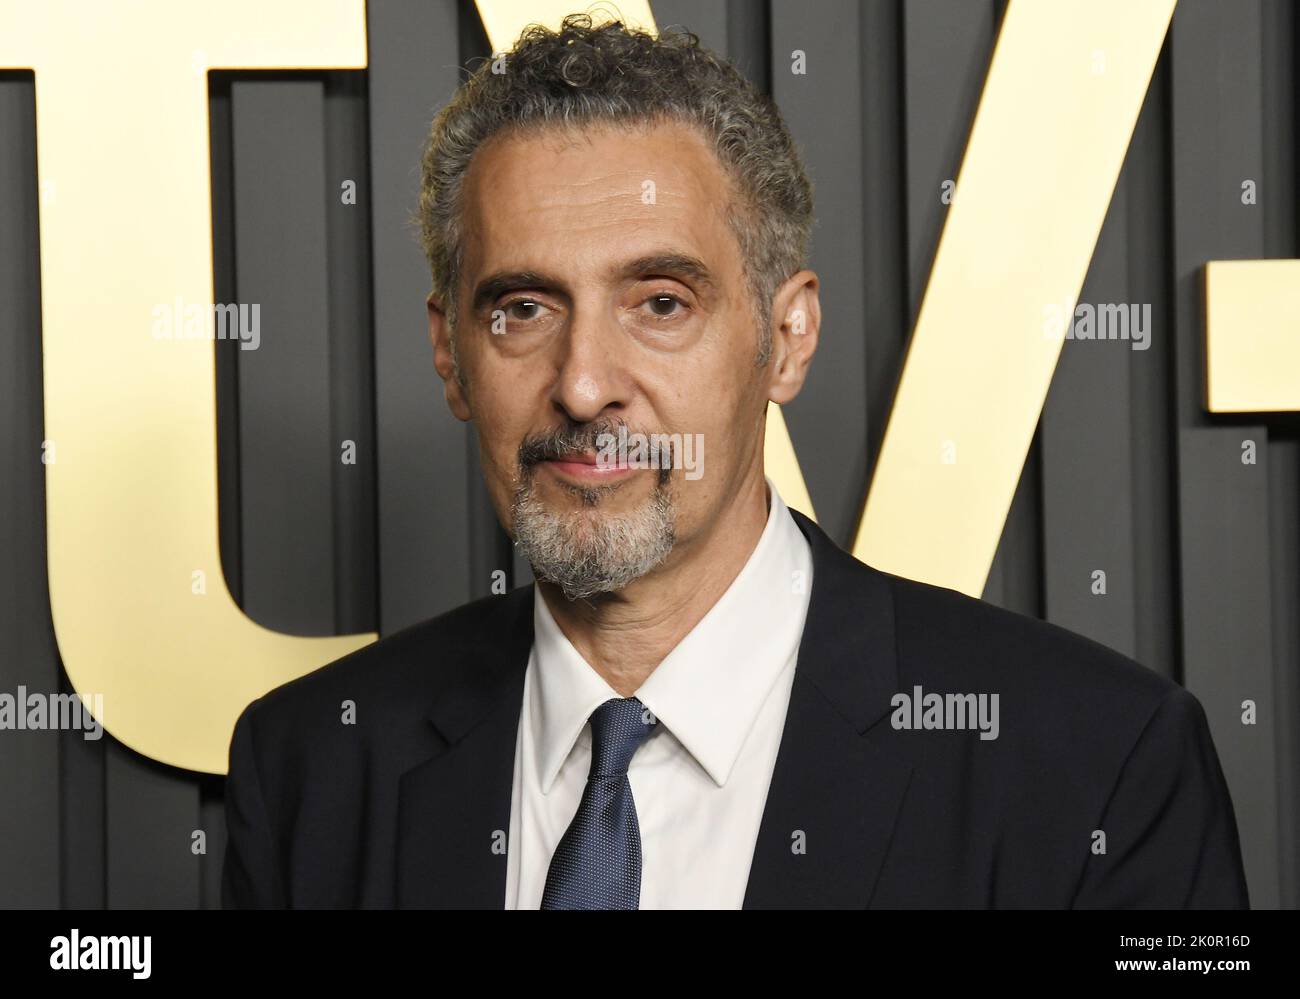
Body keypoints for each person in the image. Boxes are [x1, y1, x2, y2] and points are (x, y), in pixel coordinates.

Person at [221, 14, 1248, 909]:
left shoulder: (1094, 765)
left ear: (787, 335)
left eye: (659, 303)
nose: (584, 386)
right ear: (451, 354)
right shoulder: (314, 768)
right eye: (523, 309)